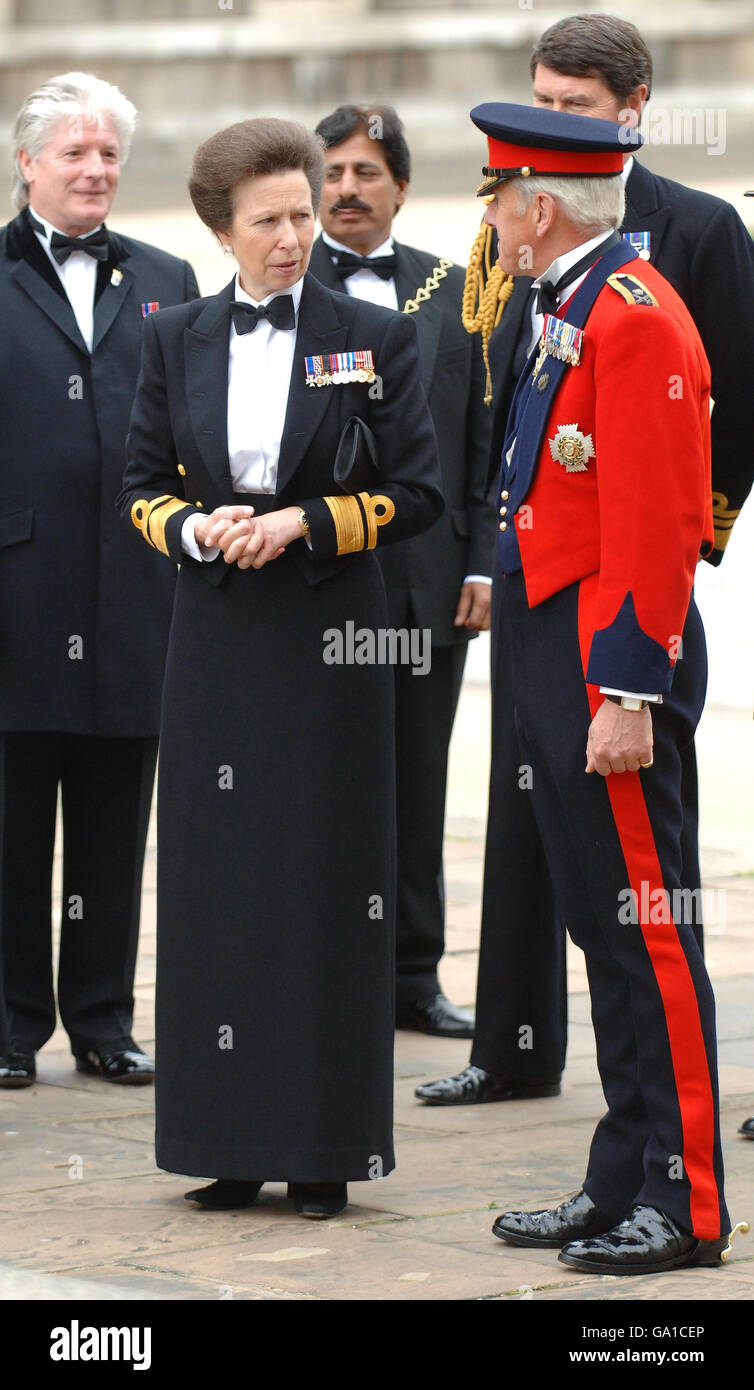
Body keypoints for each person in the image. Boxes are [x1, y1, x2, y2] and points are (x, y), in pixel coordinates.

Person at [417, 12, 754, 1107]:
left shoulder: (658, 266)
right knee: (553, 858)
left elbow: (699, 440)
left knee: (640, 905)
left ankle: (671, 1175)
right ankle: (561, 1095)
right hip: (545, 595)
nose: (547, 127)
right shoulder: (544, 266)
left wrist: (641, 637)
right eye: (542, 102)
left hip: (620, 614)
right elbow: (507, 422)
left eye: (571, 111)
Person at [117, 117, 443, 1218]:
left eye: (303, 213)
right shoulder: (174, 339)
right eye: (269, 221)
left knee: (320, 886)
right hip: (215, 639)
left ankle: (322, 1148)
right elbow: (137, 491)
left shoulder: (375, 336)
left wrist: (307, 522)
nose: (294, 236)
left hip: (328, 638)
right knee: (221, 889)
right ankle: (223, 1139)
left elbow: (419, 494)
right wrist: (200, 531)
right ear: (221, 230)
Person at [464, 100, 736, 1274]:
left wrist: (626, 688)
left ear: (540, 206)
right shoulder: (561, 300)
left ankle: (687, 1202)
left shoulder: (632, 316)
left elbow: (661, 517)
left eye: (497, 198)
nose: (491, 218)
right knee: (598, 922)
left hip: (606, 660)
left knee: (646, 932)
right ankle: (621, 1173)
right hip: (551, 639)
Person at [0, 73, 199, 1091]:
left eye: (109, 154)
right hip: (18, 595)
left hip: (135, 593)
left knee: (118, 821)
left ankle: (104, 1020)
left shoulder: (167, 276)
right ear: (27, 163)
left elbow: (194, 435)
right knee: (12, 817)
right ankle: (7, 1023)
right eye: (74, 153)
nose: (94, 170)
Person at [310, 104, 494, 1039]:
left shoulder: (457, 291)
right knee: (317, 784)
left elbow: (485, 437)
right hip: (314, 586)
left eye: (366, 172)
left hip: (429, 586)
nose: (347, 188)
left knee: (417, 784)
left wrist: (486, 564)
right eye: (333, 172)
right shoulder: (280, 288)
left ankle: (413, 976)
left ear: (402, 187)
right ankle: (321, 971)